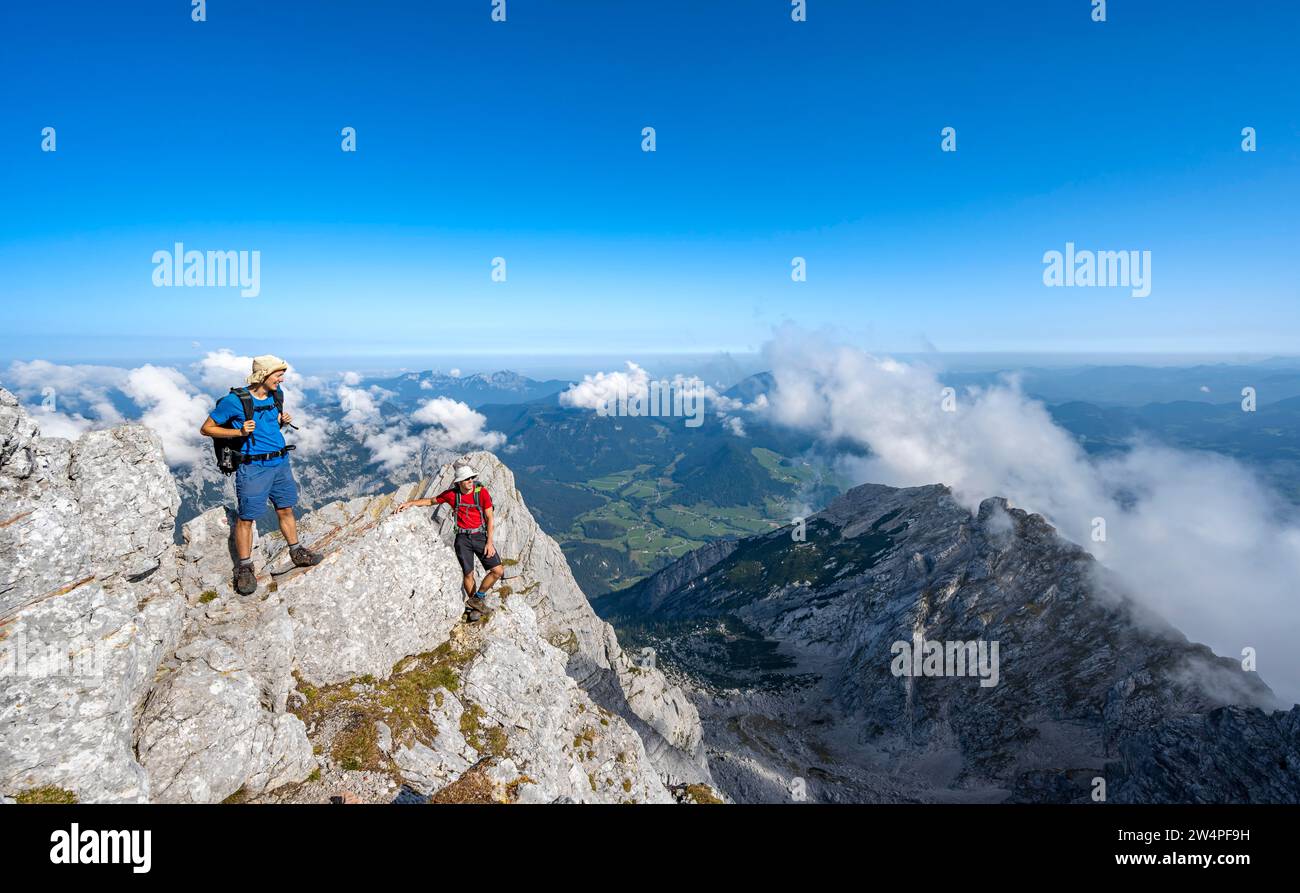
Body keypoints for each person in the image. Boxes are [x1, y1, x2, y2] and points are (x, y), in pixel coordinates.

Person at [199, 354, 321, 595]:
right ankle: (244, 568)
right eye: (278, 374)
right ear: (263, 375)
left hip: (280, 461)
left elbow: (269, 427)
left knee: (285, 509)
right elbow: (206, 429)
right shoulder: (235, 401)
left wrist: (282, 421)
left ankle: (296, 551)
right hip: (253, 467)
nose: (282, 379)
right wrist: (238, 432)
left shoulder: (276, 396)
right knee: (247, 518)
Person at [397, 463, 502, 620]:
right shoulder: (451, 495)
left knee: (498, 571)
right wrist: (411, 503)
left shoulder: (482, 493)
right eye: (466, 479)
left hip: (480, 536)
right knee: (468, 574)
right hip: (462, 539)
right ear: (459, 482)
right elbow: (432, 501)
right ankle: (475, 605)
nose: (470, 481)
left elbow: (489, 518)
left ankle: (477, 598)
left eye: (471, 478)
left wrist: (489, 542)